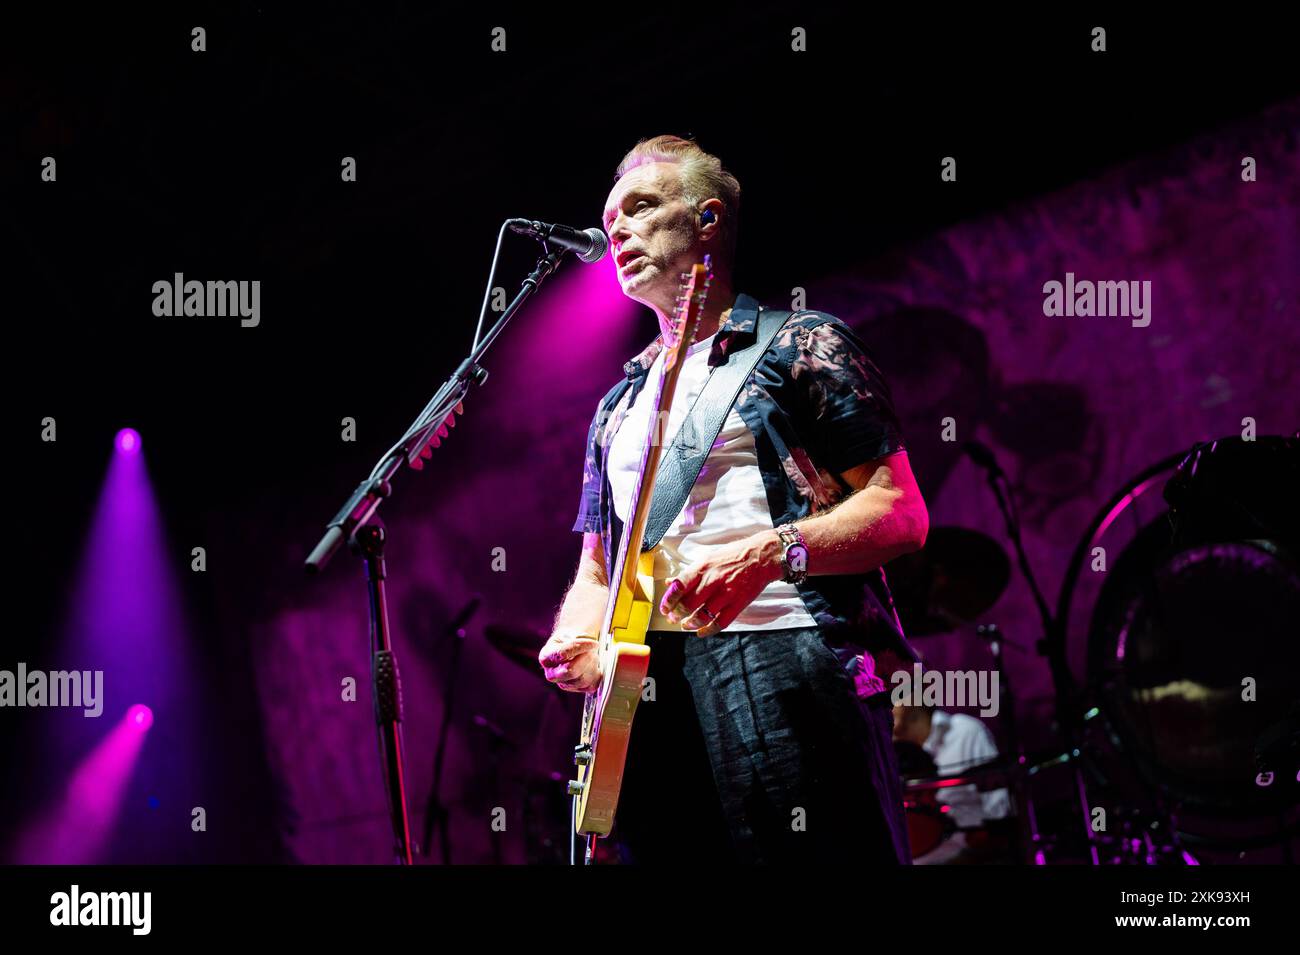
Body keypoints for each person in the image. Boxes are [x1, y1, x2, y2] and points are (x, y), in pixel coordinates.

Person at [538, 135, 928, 863]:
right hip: (648, 689)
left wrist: (771, 552)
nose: (617, 230)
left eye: (641, 208)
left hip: (789, 654)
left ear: (708, 219)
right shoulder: (616, 406)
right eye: (610, 218)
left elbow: (900, 512)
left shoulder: (799, 343)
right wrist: (576, 637)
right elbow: (597, 569)